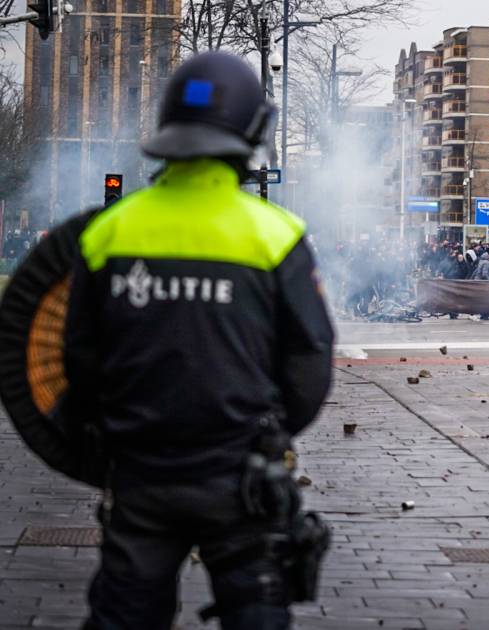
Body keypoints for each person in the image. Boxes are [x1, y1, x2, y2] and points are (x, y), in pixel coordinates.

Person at [63, 52, 334, 629]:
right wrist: (270, 429)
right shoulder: (276, 235)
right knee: (257, 613)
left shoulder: (109, 231)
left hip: (140, 473)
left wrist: (107, 431)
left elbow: (79, 358)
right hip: (241, 477)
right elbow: (310, 359)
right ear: (255, 131)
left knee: (124, 616)